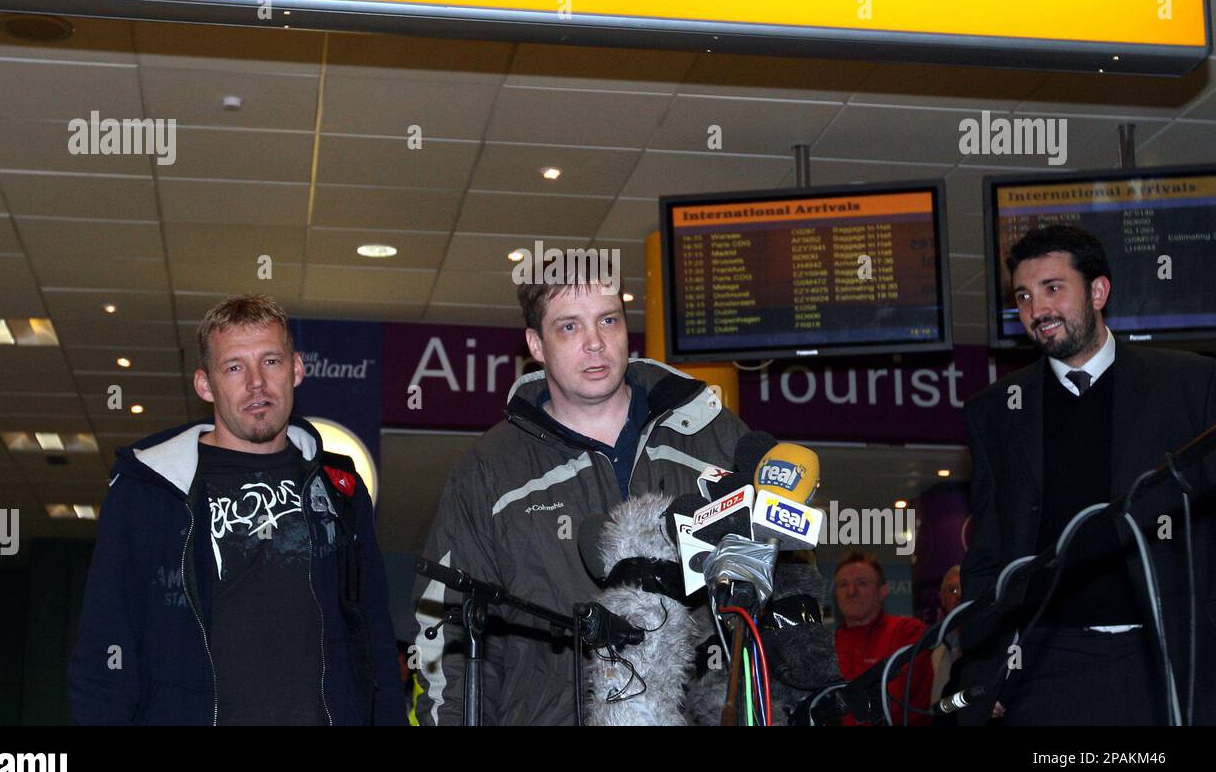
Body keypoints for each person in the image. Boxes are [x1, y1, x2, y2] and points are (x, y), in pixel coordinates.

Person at [410, 277, 751, 725]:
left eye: (608, 320)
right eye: (569, 327)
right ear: (536, 343)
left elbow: (785, 577)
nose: (594, 343)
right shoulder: (490, 470)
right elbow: (444, 630)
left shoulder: (713, 435)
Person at [69, 295, 405, 726]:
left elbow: (373, 634)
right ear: (205, 384)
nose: (256, 384)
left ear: (297, 369)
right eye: (234, 367)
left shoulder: (340, 489)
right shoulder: (149, 493)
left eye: (271, 362)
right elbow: (105, 646)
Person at [960, 224, 1216, 726]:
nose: (1037, 310)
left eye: (1053, 289)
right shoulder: (995, 412)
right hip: (1045, 665)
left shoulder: (1190, 385)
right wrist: (984, 666)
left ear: (1098, 292)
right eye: (1024, 296)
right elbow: (988, 553)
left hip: (1170, 658)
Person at [832, 551, 933, 725]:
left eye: (861, 583)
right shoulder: (827, 645)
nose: (851, 591)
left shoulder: (907, 631)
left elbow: (891, 705)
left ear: (883, 591)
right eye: (843, 584)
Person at [929, 565, 963, 708]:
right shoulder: (931, 650)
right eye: (953, 590)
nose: (960, 596)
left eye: (965, 588)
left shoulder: (992, 644)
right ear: (942, 598)